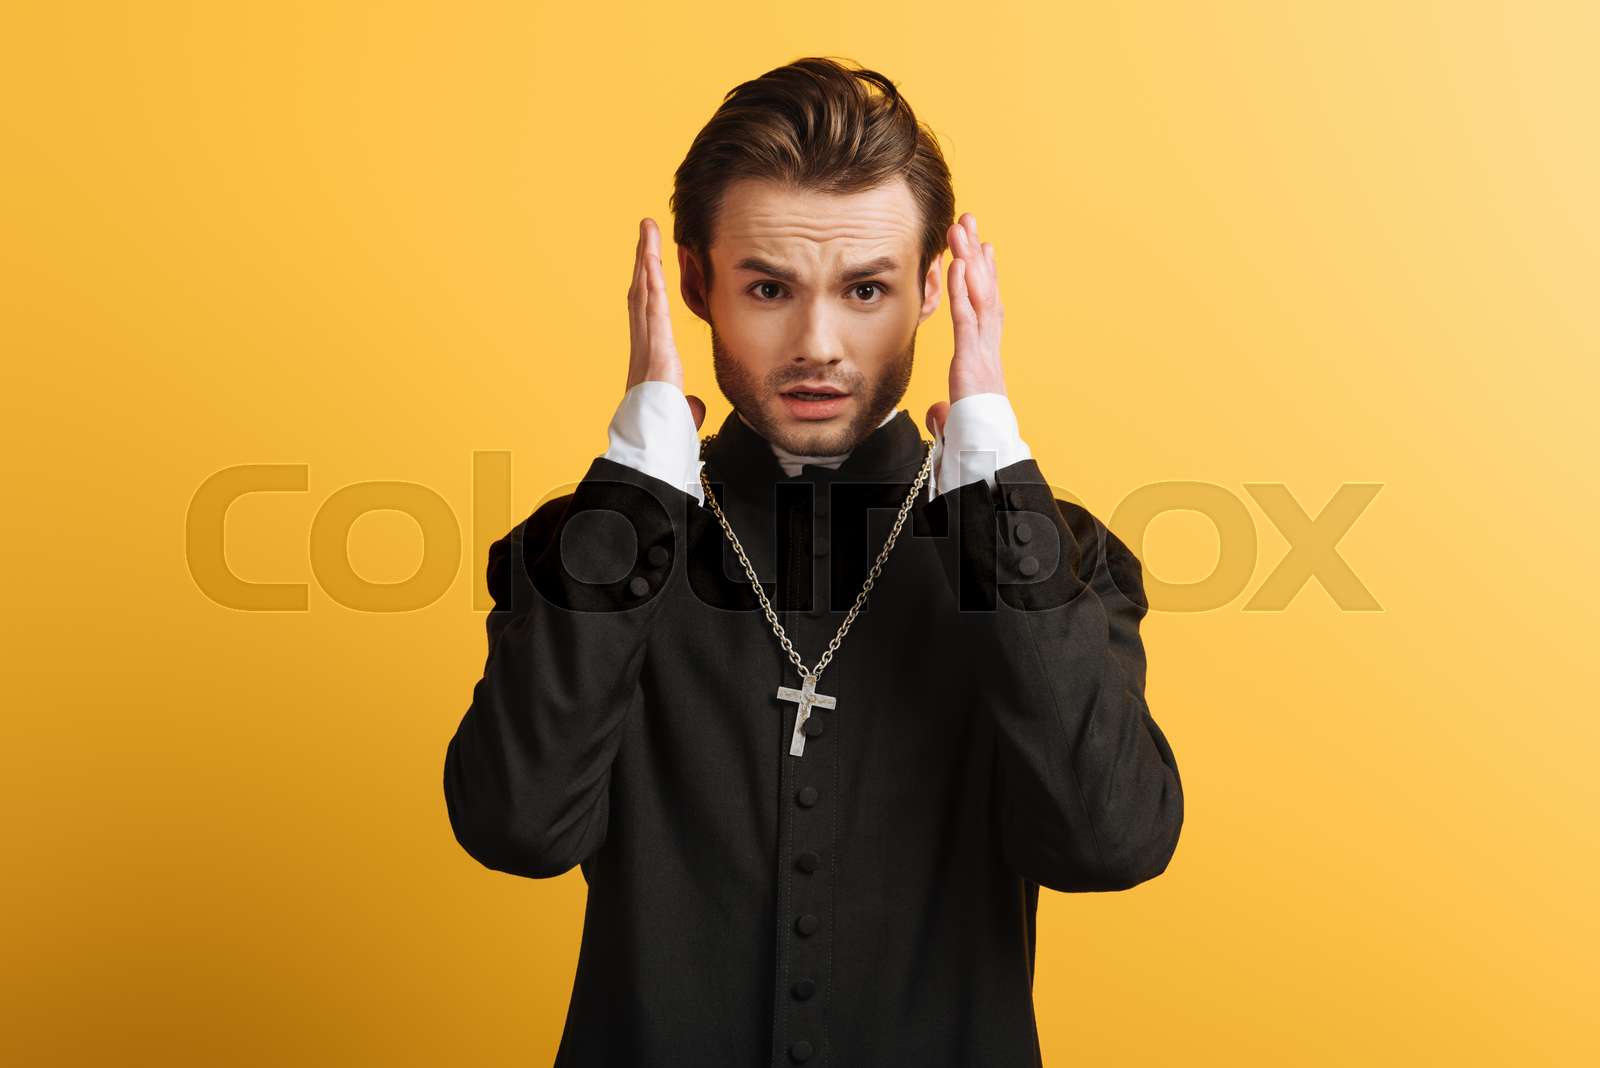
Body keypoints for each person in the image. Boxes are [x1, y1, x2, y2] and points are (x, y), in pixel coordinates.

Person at [443, 56, 1183, 1068]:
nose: (817, 343)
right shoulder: (581, 551)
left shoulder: (1061, 555)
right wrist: (641, 474)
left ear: (934, 288)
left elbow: (1107, 845)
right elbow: (518, 829)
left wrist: (987, 459)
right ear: (697, 285)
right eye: (768, 288)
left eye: (867, 288)